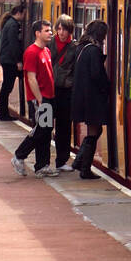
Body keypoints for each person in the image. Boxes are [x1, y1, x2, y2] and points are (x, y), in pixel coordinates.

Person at [10, 19, 56, 176]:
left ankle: (42, 165)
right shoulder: (31, 52)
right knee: (41, 129)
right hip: (40, 98)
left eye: (50, 30)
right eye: (47, 31)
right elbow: (31, 78)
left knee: (46, 131)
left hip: (48, 97)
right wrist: (39, 99)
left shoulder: (47, 51)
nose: (50, 33)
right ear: (38, 33)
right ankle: (19, 155)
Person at [70, 19, 111, 180]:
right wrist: (106, 86)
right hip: (92, 98)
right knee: (95, 130)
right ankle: (84, 168)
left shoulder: (81, 47)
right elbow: (96, 74)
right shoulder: (94, 50)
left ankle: (79, 162)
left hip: (81, 96)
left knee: (94, 130)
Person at [49, 14, 79, 169]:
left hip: (65, 91)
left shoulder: (74, 47)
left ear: (70, 31)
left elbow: (76, 69)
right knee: (44, 125)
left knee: (64, 127)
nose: (61, 32)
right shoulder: (49, 44)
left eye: (64, 29)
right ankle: (43, 161)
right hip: (49, 90)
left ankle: (61, 160)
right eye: (59, 29)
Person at [0, 3, 26, 121]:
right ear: (18, 13)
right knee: (7, 87)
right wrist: (18, 61)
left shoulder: (9, 23)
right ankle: (3, 114)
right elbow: (14, 44)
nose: (24, 17)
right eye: (23, 14)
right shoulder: (13, 25)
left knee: (6, 87)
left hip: (7, 59)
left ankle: (4, 113)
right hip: (10, 61)